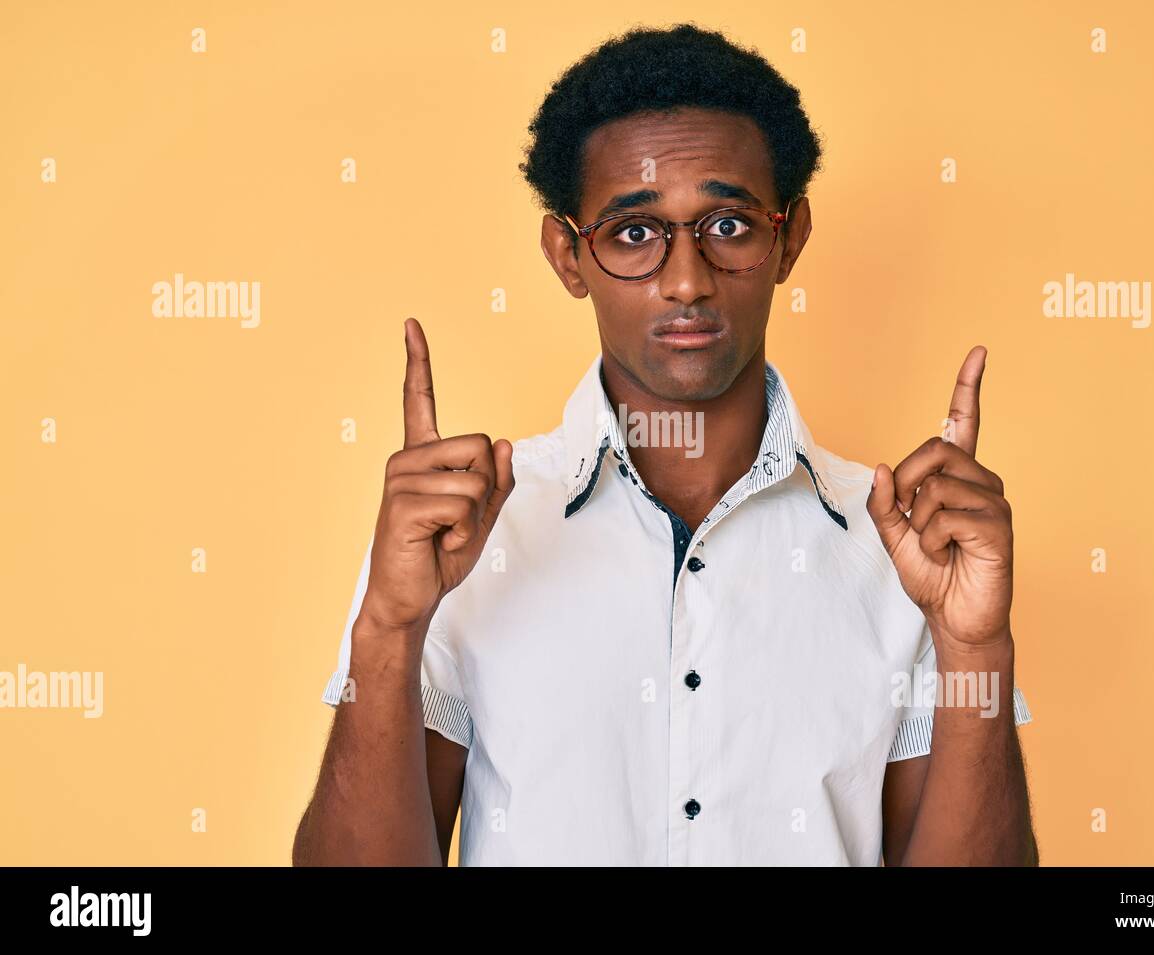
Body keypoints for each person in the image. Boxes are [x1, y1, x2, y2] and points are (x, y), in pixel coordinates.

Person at [292, 22, 1036, 866]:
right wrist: (387, 628)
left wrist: (976, 645)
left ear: (788, 238)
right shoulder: (460, 538)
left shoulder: (904, 553)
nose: (687, 280)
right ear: (568, 255)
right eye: (635, 233)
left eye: (728, 225)